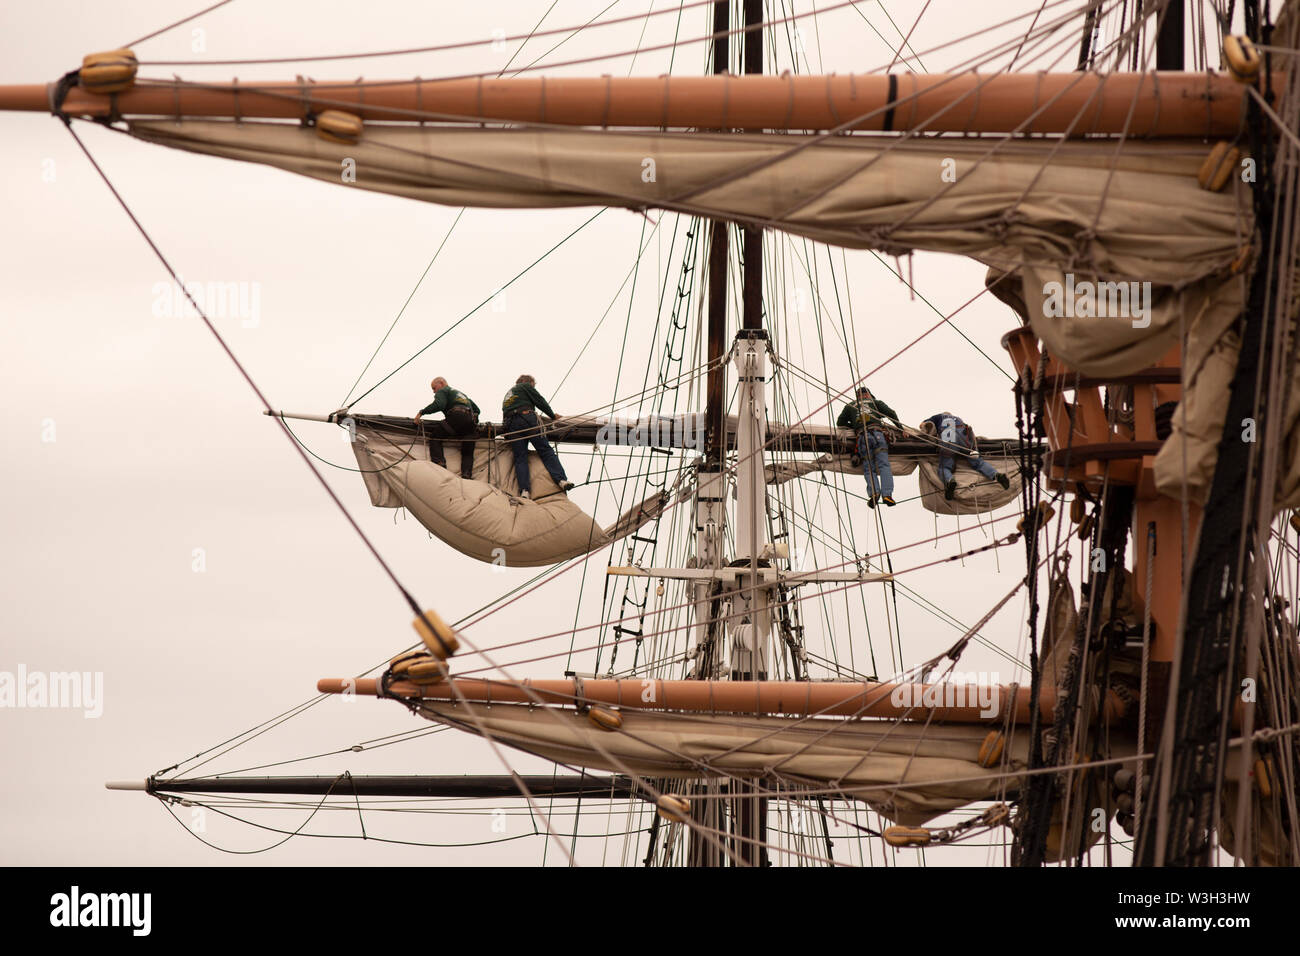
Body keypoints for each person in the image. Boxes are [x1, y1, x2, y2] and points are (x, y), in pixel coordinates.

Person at [501, 374, 575, 500]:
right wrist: (552, 415)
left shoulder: (508, 396)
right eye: (533, 385)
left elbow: (505, 416)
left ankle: (524, 491)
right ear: (527, 382)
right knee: (545, 451)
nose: (533, 387)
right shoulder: (525, 386)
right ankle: (561, 480)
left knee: (520, 458)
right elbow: (539, 401)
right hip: (527, 419)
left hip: (512, 425)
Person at [920, 412, 1011, 500]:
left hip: (949, 436)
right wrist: (974, 449)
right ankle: (997, 475)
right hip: (965, 437)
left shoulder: (938, 417)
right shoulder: (958, 419)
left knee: (944, 467)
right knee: (978, 463)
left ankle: (950, 481)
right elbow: (970, 434)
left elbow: (923, 425)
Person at [837, 385, 902, 507]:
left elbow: (840, 422)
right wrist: (901, 429)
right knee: (884, 465)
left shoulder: (850, 406)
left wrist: (855, 425)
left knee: (868, 468)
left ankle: (874, 494)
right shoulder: (875, 403)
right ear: (868, 395)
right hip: (877, 435)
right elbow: (891, 413)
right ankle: (887, 495)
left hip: (862, 437)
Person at [415, 376, 480, 479]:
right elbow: (477, 410)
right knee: (467, 452)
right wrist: (472, 421)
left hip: (456, 417)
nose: (434, 392)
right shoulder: (461, 394)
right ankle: (466, 474)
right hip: (470, 422)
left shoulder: (443, 390)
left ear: (441, 383)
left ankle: (440, 466)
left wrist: (421, 412)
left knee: (435, 437)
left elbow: (439, 404)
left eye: (434, 388)